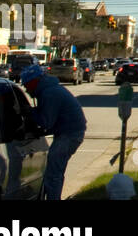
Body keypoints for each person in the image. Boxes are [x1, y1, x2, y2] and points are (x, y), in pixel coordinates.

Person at [20, 64, 88, 200]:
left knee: (53, 172)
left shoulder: (48, 93)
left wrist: (30, 112)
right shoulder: (48, 90)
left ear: (33, 82)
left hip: (69, 134)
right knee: (55, 170)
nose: (26, 90)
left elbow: (46, 122)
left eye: (27, 85)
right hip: (69, 132)